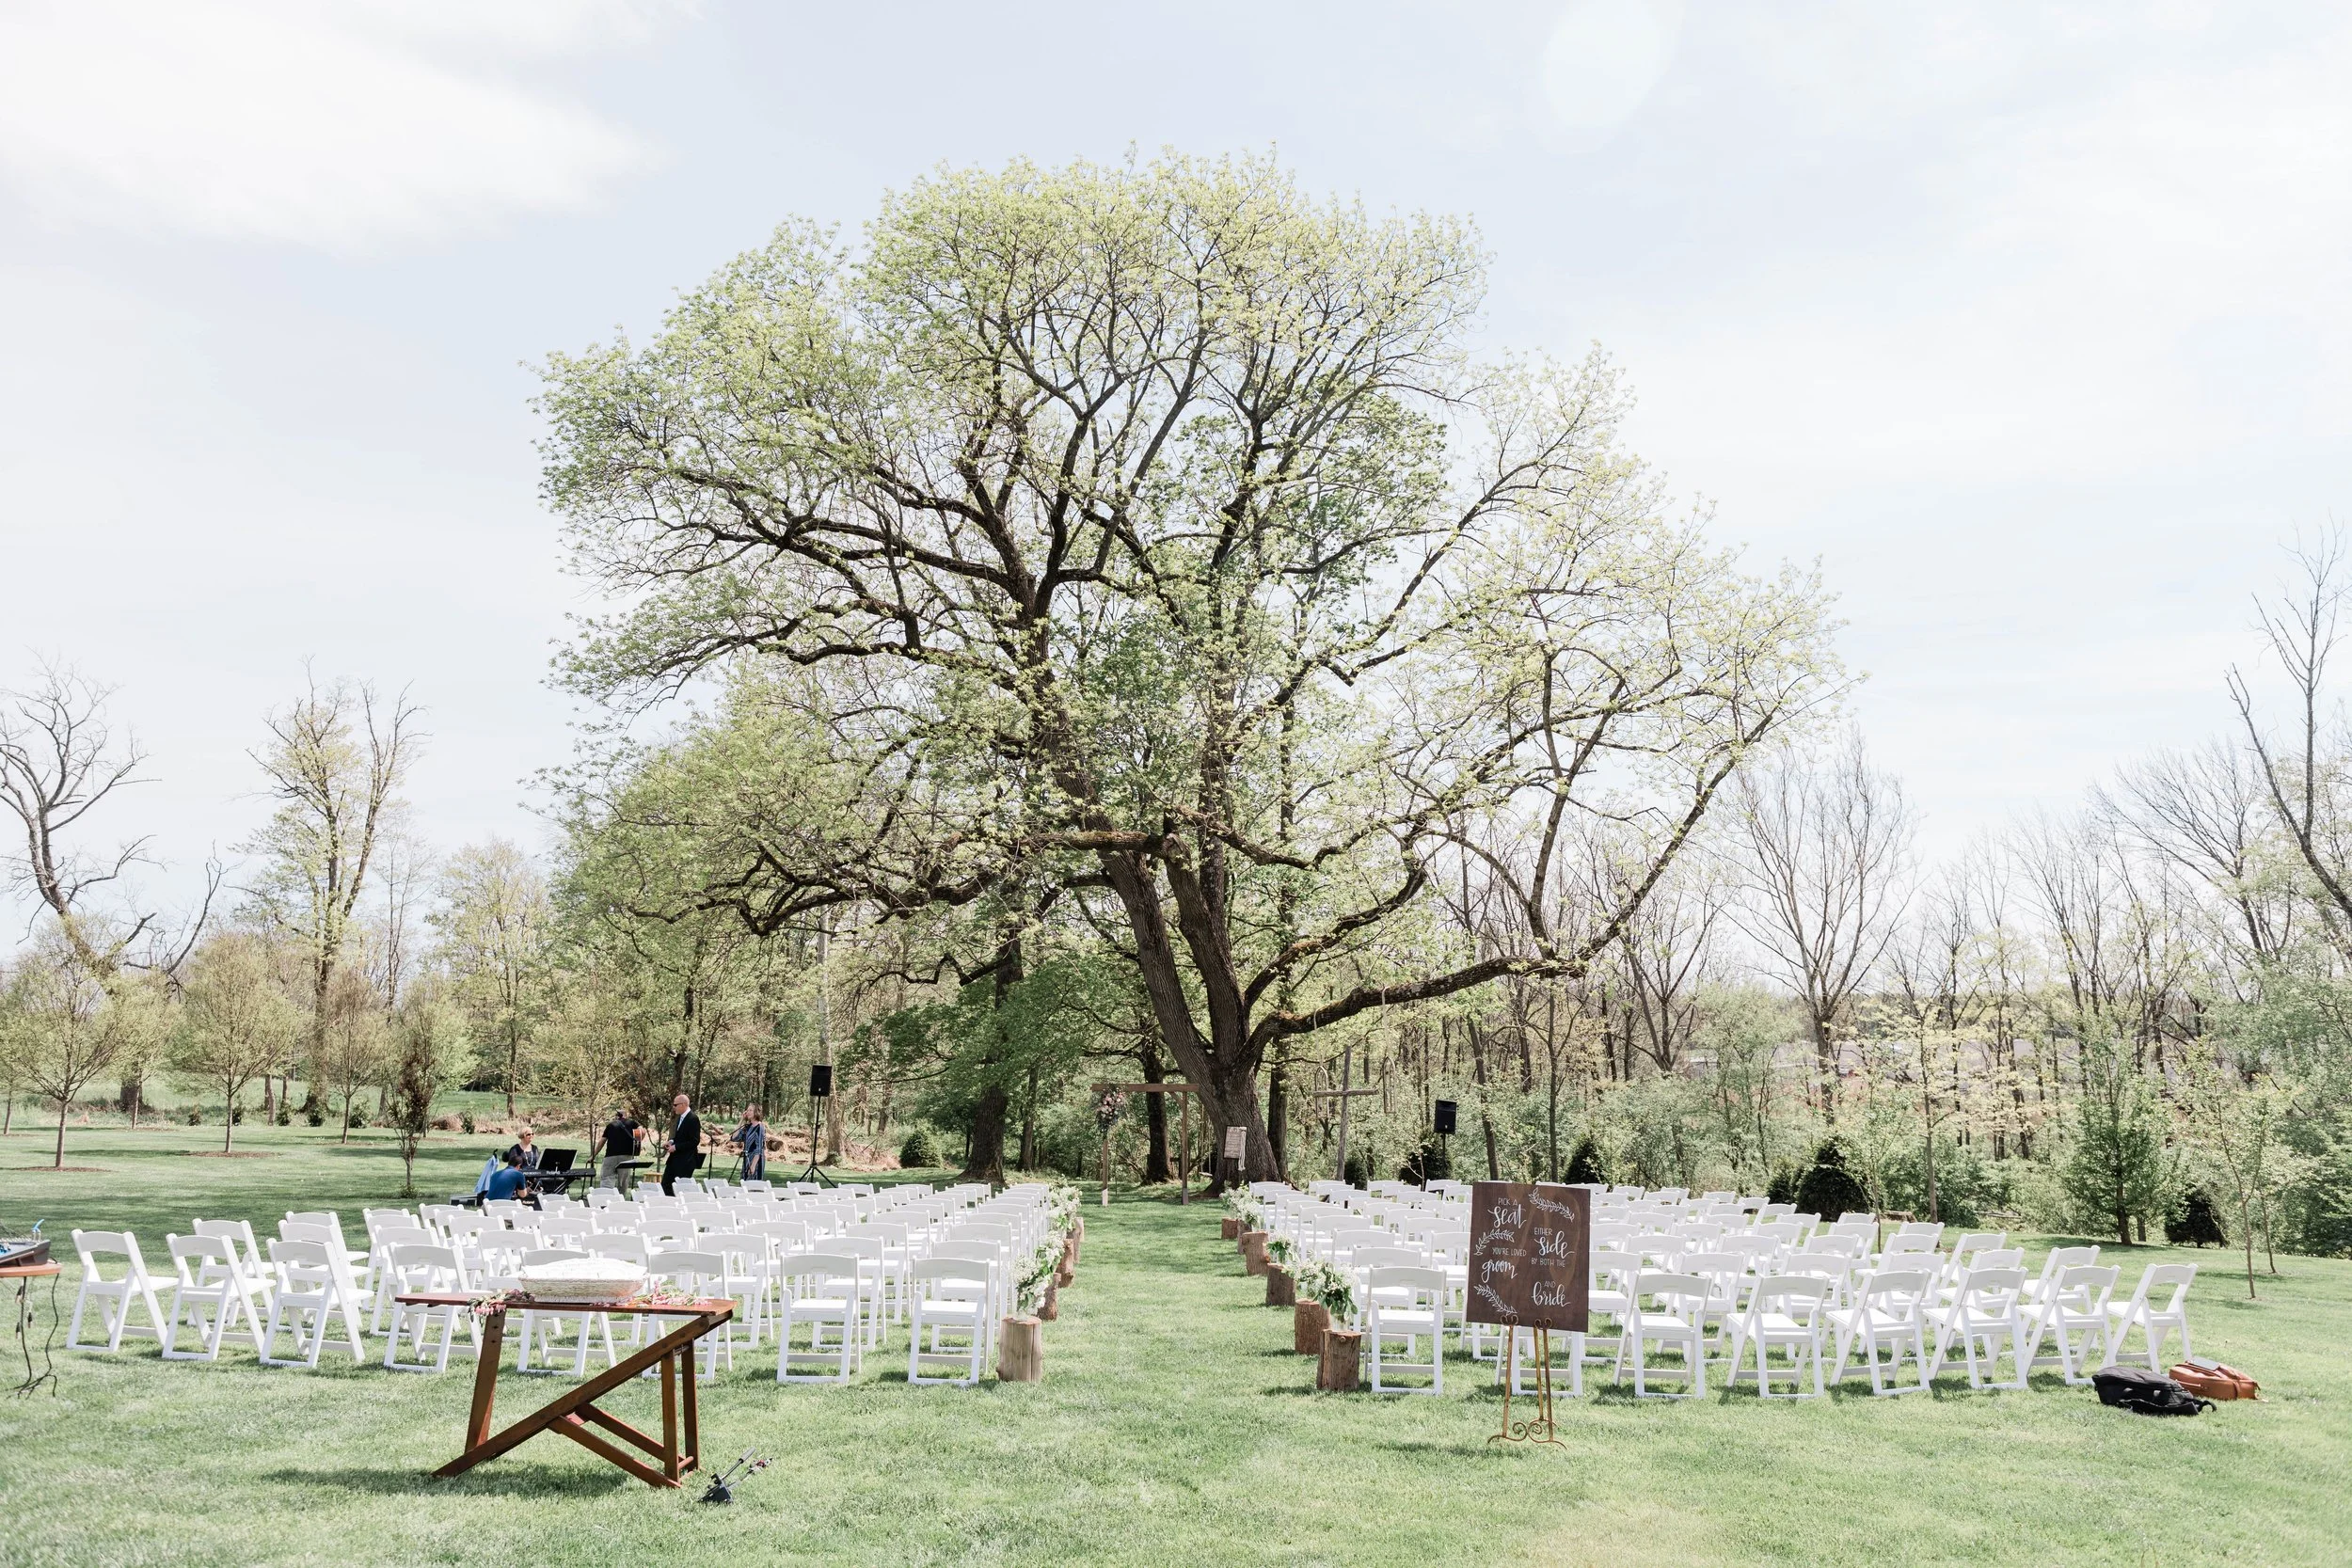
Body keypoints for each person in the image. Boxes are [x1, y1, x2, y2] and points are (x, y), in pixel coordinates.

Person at [661, 1093, 702, 1196]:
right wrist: (671, 1142)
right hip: (675, 1160)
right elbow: (681, 1137)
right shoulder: (680, 1117)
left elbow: (694, 1141)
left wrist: (675, 1147)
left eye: (675, 1105)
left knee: (680, 1189)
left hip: (686, 1161)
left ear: (683, 1104)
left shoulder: (693, 1118)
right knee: (665, 1185)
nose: (673, 1107)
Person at [597, 1107, 642, 1188]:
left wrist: (593, 1155)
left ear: (617, 1116)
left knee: (607, 1180)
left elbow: (602, 1142)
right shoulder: (633, 1123)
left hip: (610, 1156)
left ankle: (606, 1195)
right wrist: (638, 1143)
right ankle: (621, 1196)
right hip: (626, 1156)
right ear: (626, 1115)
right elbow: (642, 1131)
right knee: (623, 1182)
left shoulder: (610, 1125)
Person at [738, 1106, 768, 1181]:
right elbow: (735, 1137)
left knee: (753, 1184)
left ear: (756, 1112)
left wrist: (753, 1166)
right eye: (747, 1110)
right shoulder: (748, 1126)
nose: (748, 1112)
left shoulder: (760, 1127)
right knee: (744, 1183)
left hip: (756, 1160)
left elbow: (759, 1147)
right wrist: (741, 1119)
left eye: (750, 1110)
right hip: (747, 1158)